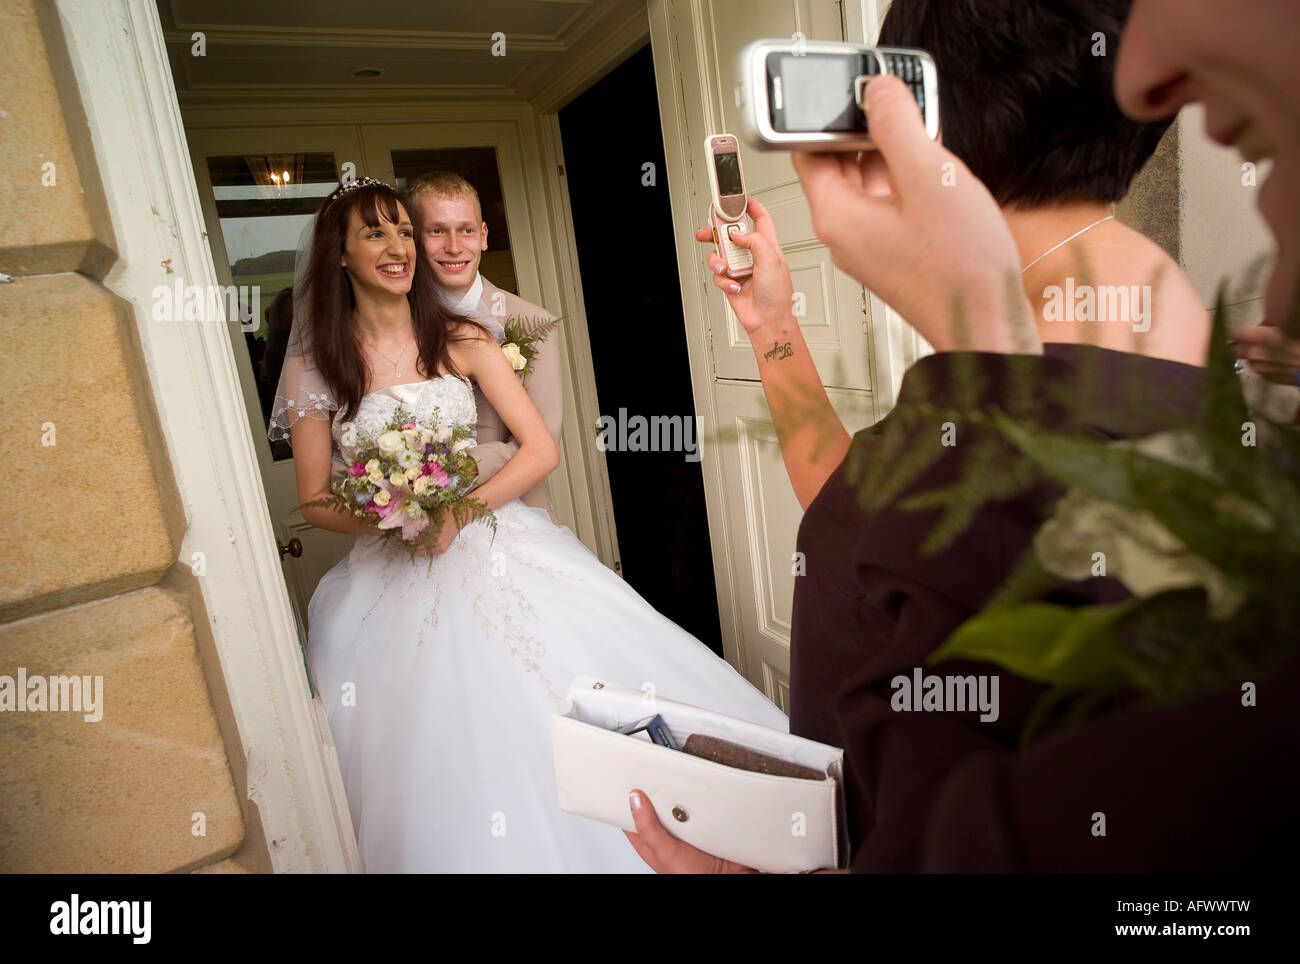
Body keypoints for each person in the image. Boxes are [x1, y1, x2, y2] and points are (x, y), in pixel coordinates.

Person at [625, 0, 1299, 872]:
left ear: (912, 120)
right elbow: (846, 489)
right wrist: (772, 325)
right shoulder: (1171, 347)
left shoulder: (989, 442)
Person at [267, 177, 789, 872]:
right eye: (376, 234)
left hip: (497, 547)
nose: (398, 249)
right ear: (339, 253)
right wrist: (391, 518)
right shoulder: (315, 367)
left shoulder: (458, 338)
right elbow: (313, 500)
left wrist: (456, 510)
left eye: (401, 231)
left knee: (571, 695)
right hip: (387, 584)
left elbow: (539, 447)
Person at [407, 171, 565, 522]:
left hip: (518, 514)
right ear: (415, 239)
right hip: (419, 522)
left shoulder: (533, 324)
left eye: (465, 230)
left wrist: (451, 473)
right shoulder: (398, 326)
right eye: (436, 231)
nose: (453, 246)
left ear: (483, 236)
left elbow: (542, 442)